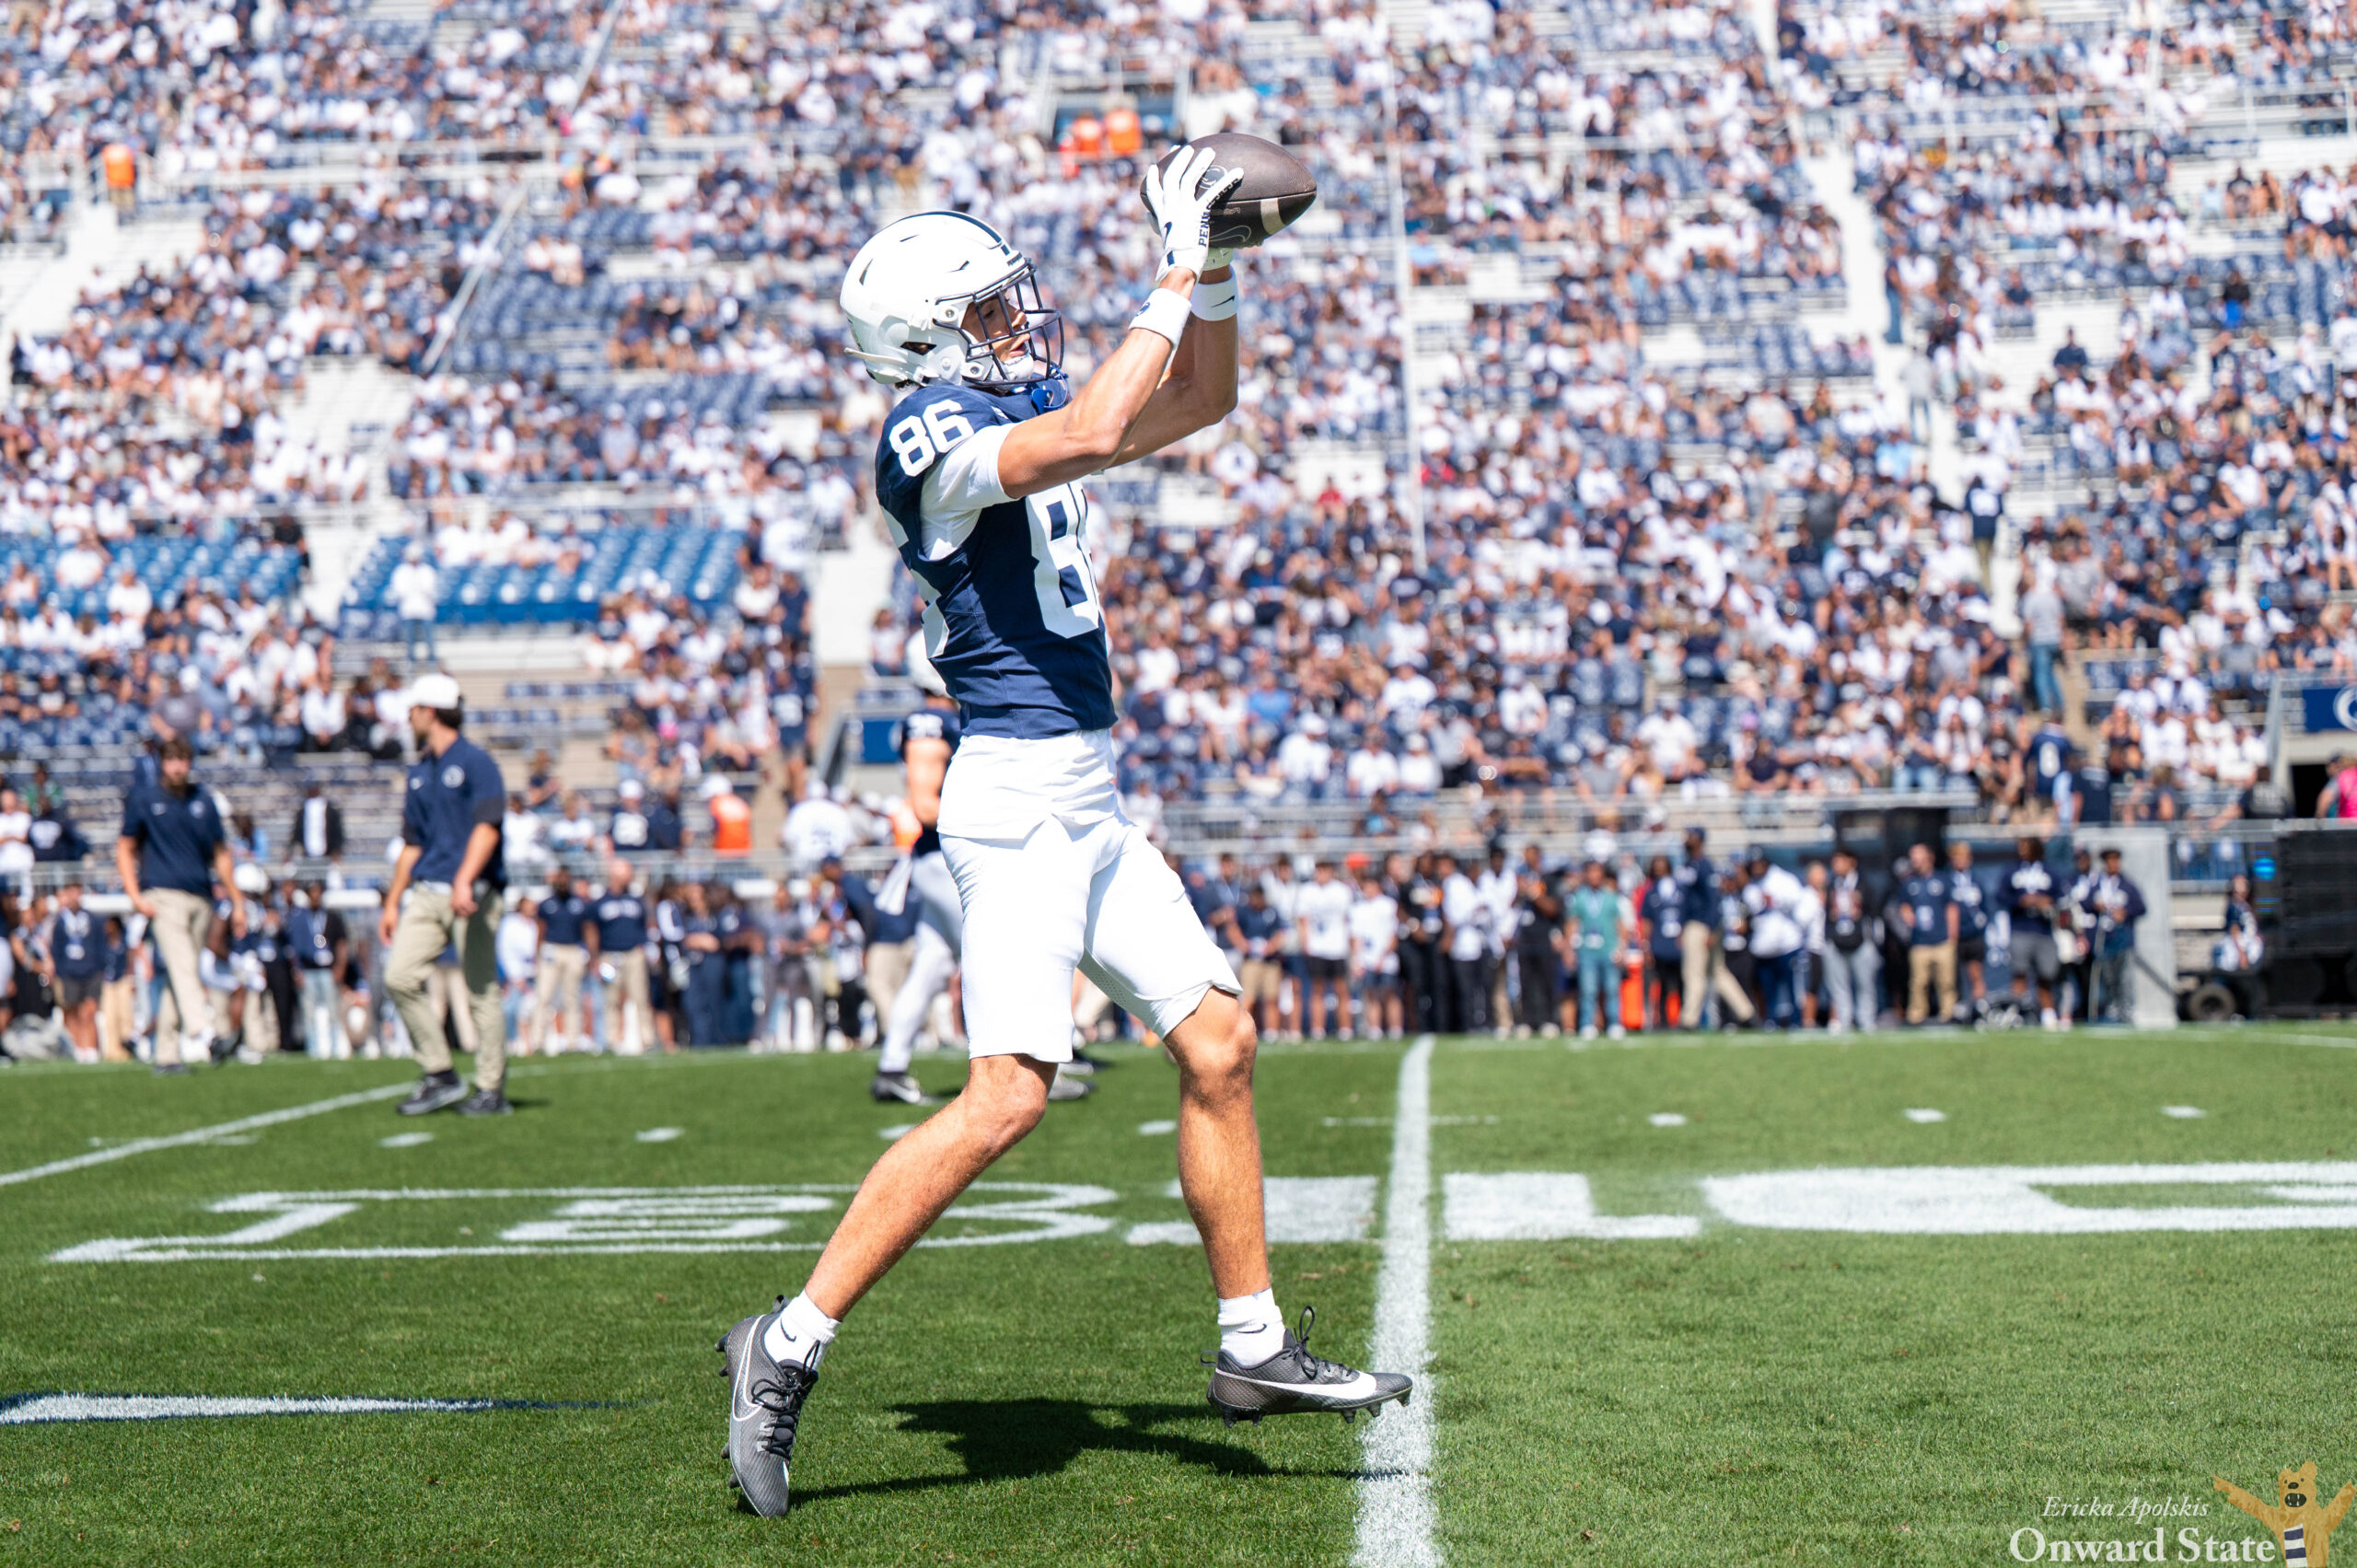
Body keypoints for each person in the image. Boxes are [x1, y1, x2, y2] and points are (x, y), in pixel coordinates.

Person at [721, 173, 1407, 1517]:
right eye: (982, 310)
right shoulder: (923, 429)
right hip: (1018, 804)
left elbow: (1197, 400)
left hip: (1086, 797)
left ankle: (1253, 1343)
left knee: (1219, 1042)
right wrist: (1164, 263)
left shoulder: (1003, 401)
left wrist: (1208, 272)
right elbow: (1101, 414)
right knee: (1009, 1097)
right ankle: (786, 1341)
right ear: (922, 339)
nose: (1012, 323)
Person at [378, 672, 510, 1116]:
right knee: (398, 976)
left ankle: (491, 1088)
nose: (408, 717)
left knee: (479, 989)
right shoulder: (420, 773)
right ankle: (440, 1072)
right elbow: (413, 843)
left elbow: (487, 827)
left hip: (471, 893)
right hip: (428, 890)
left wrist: (465, 878)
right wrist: (393, 899)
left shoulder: (475, 762)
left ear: (429, 711)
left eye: (413, 709)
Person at [116, 736, 245, 1073]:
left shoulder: (203, 800)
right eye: (171, 759)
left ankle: (167, 1055)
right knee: (185, 965)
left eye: (183, 759)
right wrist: (134, 895)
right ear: (162, 762)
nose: (178, 766)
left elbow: (221, 854)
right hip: (162, 896)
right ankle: (209, 1034)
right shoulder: (144, 799)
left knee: (179, 976)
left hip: (201, 897)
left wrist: (237, 899)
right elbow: (125, 848)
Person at [872, 680, 962, 1104]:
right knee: (993, 958)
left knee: (931, 965)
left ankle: (891, 1067)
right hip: (946, 858)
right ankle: (1025, 1071)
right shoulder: (932, 723)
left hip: (937, 859)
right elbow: (926, 806)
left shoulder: (938, 720)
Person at [1998, 837, 2063, 1029]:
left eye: (2026, 847)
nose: (2022, 851)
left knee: (2046, 976)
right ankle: (2016, 1013)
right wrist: (2021, 901)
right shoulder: (2012, 871)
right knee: (2019, 973)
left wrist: (2047, 901)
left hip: (2043, 930)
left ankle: (2048, 1015)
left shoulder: (2049, 872)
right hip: (2021, 929)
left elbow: (2062, 895)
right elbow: (2001, 895)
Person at [591, 859, 656, 1054]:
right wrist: (596, 958)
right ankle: (611, 1040)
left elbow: (646, 924)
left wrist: (648, 948)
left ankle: (647, 1039)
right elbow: (593, 930)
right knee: (611, 999)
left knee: (640, 997)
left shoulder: (636, 900)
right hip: (610, 956)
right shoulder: (601, 902)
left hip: (634, 954)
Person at [1740, 848, 1807, 1030]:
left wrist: (1776, 899)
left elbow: (1797, 901)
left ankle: (1795, 1021)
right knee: (1768, 990)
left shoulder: (1783, 880)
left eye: (1759, 864)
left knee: (1792, 988)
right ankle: (1770, 1020)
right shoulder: (1750, 886)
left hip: (1786, 944)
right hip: (1763, 946)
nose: (1756, 868)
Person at [528, 865, 592, 1054]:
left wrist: (588, 953)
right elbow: (540, 930)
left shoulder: (579, 904)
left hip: (573, 950)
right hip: (551, 949)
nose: (563, 882)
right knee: (544, 996)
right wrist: (537, 954)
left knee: (572, 997)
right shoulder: (547, 904)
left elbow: (587, 929)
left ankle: (572, 1041)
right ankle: (537, 1041)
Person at [41, 878, 106, 1064]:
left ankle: (91, 1048)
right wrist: (61, 971)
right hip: (70, 972)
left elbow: (100, 945)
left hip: (90, 971)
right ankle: (78, 1048)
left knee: (90, 1011)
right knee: (72, 1011)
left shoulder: (93, 919)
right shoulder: (60, 922)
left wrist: (99, 968)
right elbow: (56, 948)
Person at [1567, 858, 1630, 1039]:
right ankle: (1587, 1023)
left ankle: (1614, 1022)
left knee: (1611, 989)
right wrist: (1569, 949)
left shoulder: (1610, 897)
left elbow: (1620, 924)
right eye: (1591, 872)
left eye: (1597, 872)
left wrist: (1621, 948)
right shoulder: (1580, 896)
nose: (1594, 875)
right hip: (1587, 950)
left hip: (1608, 948)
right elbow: (1572, 923)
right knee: (1588, 989)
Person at [286, 882, 349, 1058]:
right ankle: (313, 1049)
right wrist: (297, 970)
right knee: (309, 1012)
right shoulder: (300, 917)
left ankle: (336, 1047)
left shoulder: (332, 917)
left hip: (327, 970)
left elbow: (342, 943)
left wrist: (339, 968)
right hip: (308, 969)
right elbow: (294, 947)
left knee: (333, 1011)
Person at [1898, 842, 1958, 1026]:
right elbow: (1903, 905)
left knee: (1946, 982)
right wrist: (1907, 915)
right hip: (1920, 941)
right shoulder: (1910, 883)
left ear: (1929, 857)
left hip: (1941, 939)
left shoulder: (1942, 880)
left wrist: (1952, 933)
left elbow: (1951, 907)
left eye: (1918, 855)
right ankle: (1916, 1015)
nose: (1915, 859)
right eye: (1913, 855)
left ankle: (1948, 1013)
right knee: (1918, 982)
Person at [1295, 860, 1353, 1039]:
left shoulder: (1342, 891)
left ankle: (1345, 1029)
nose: (1322, 873)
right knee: (1317, 989)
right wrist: (1306, 943)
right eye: (1319, 870)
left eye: (1325, 870)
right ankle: (1317, 1028)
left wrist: (1349, 945)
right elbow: (1302, 919)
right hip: (1317, 947)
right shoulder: (1307, 891)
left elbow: (1347, 919)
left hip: (1337, 947)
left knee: (1341, 989)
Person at [1509, 844, 1562, 1035]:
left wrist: (1533, 893)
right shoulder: (1519, 878)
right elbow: (1512, 905)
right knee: (1525, 982)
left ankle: (1549, 1020)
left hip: (1543, 936)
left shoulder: (1548, 878)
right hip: (1525, 937)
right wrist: (1520, 889)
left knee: (1546, 981)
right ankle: (1526, 1021)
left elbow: (1552, 908)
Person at [2090, 846, 2147, 1023]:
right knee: (2108, 978)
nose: (2113, 864)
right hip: (2104, 938)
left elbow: (2141, 907)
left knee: (2125, 978)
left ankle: (2128, 1009)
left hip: (2123, 938)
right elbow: (2085, 903)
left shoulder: (2127, 885)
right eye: (2110, 860)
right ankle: (2112, 1008)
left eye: (2116, 860)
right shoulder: (2098, 884)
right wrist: (2095, 906)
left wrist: (2126, 911)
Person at [1347, 872, 1403, 1039]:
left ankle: (1395, 1028)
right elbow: (1356, 937)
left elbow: (1393, 935)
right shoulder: (1358, 909)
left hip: (1386, 958)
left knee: (1390, 994)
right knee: (1371, 995)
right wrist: (1357, 960)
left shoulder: (1388, 905)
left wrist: (1382, 956)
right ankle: (1375, 1029)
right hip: (1367, 958)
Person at [1638, 854, 1685, 1029]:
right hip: (1660, 944)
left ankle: (1684, 1019)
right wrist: (1646, 945)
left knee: (1682, 984)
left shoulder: (1680, 889)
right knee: (1663, 985)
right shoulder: (1651, 892)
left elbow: (1687, 915)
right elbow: (1646, 921)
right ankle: (1663, 1020)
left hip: (1678, 945)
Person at [1947, 842, 1989, 1018]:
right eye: (1956, 856)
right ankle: (1954, 1012)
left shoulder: (1976, 880)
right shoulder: (1946, 881)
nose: (1960, 860)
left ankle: (1979, 1011)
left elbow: (1985, 907)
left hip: (1973, 935)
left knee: (1975, 974)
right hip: (1953, 936)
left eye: (1963, 856)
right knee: (1951, 978)